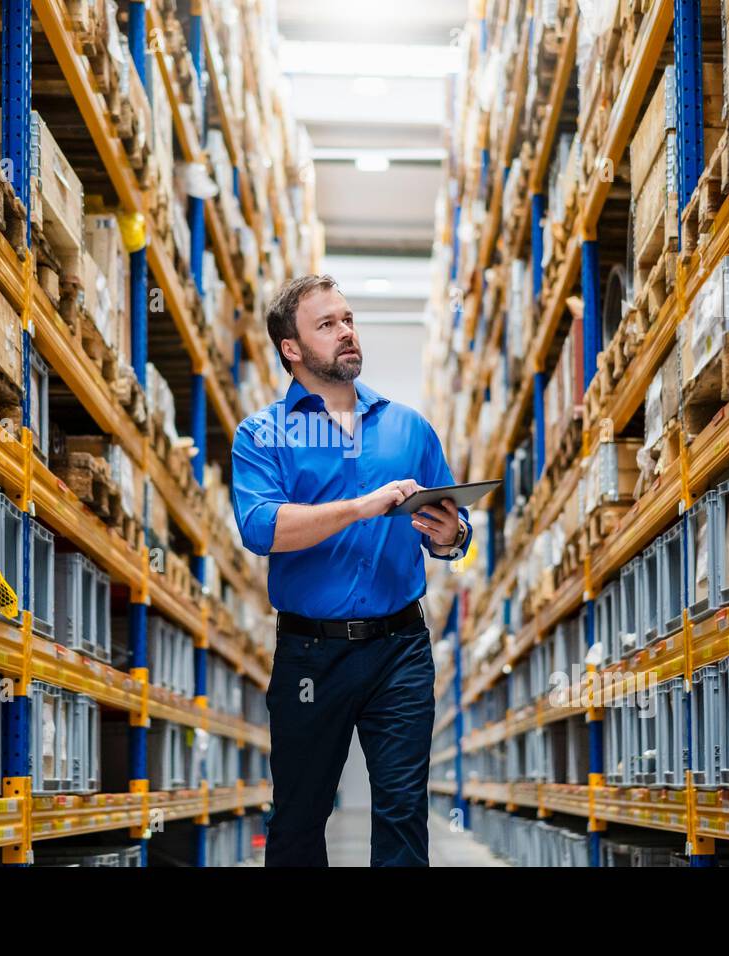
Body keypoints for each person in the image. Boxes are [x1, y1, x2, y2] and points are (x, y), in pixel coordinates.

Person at [231, 274, 472, 867]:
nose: (346, 333)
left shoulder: (408, 427)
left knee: (401, 812)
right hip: (311, 655)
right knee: (299, 814)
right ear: (292, 348)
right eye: (327, 324)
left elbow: (452, 526)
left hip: (401, 648)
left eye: (348, 319)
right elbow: (262, 529)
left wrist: (453, 537)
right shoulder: (263, 434)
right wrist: (362, 507)